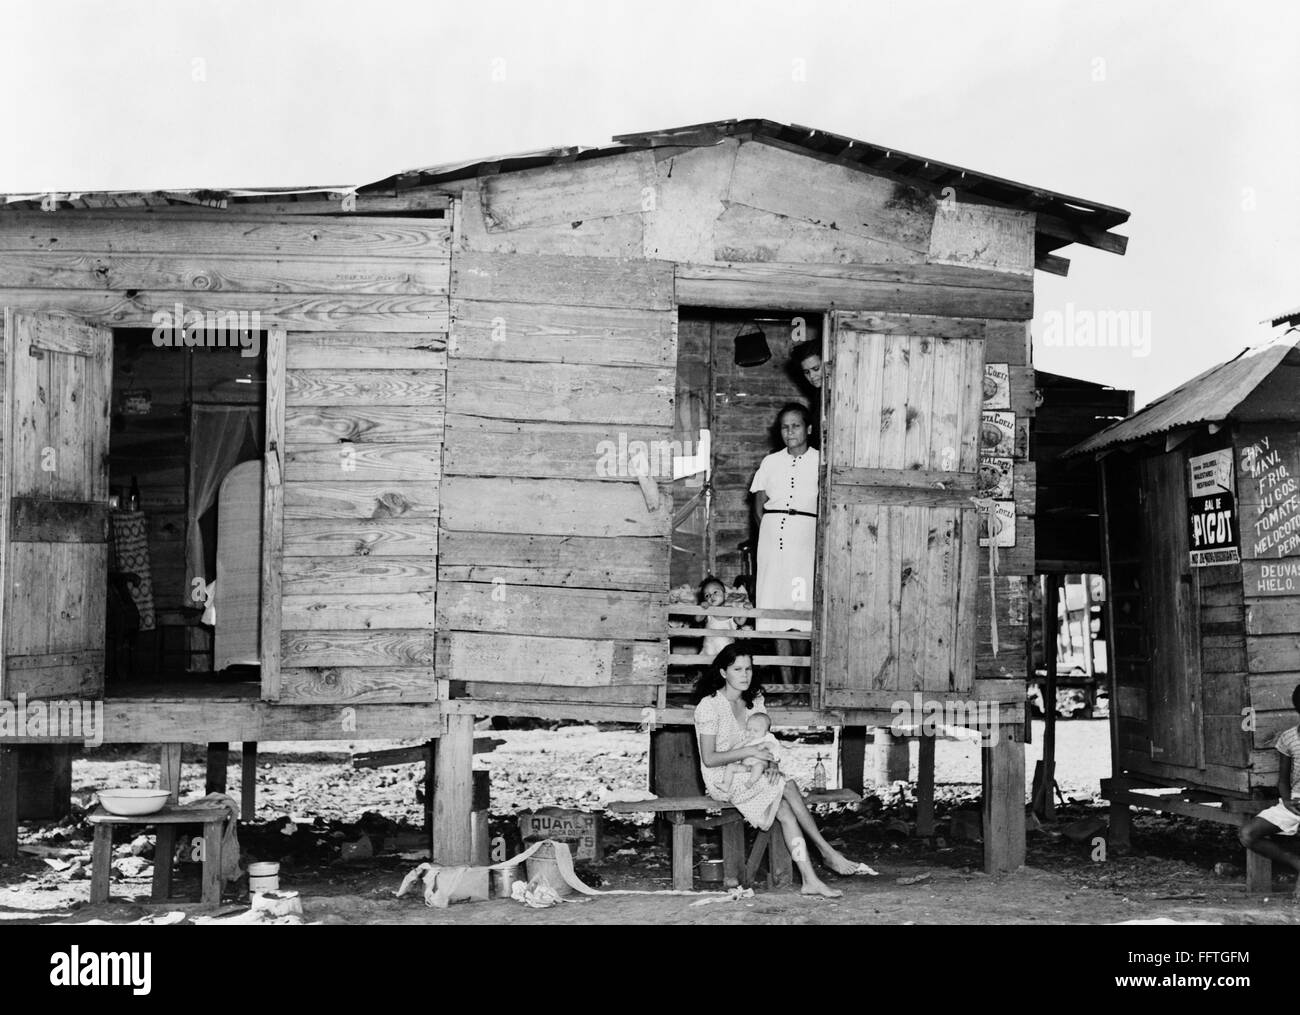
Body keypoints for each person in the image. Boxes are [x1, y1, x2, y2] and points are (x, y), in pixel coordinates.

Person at [692, 643, 873, 897]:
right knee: (788, 786)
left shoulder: (754, 702)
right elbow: (710, 759)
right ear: (723, 673)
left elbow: (766, 743)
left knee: (786, 809)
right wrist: (750, 754)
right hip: (724, 777)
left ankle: (810, 880)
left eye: (749, 669)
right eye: (737, 669)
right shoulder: (709, 706)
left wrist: (772, 765)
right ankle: (825, 850)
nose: (745, 675)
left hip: (754, 769)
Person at [750, 404, 818, 643]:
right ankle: (784, 680)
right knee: (775, 604)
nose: (790, 432)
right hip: (772, 543)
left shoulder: (821, 461)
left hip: (804, 544)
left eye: (796, 426)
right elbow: (758, 508)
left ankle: (801, 678)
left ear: (808, 429)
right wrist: (774, 536)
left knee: (800, 603)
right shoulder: (770, 462)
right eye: (785, 427)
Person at [1239, 684, 1300, 894]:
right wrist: (1288, 802)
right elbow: (1283, 780)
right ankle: (1294, 861)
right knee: (1248, 834)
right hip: (1296, 803)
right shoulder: (1288, 738)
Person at [698, 575, 741, 659]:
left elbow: (741, 621)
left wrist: (747, 609)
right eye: (707, 595)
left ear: (726, 595)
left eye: (715, 592)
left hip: (727, 655)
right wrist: (702, 608)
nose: (711, 596)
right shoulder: (708, 613)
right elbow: (698, 619)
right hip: (709, 654)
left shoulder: (731, 611)